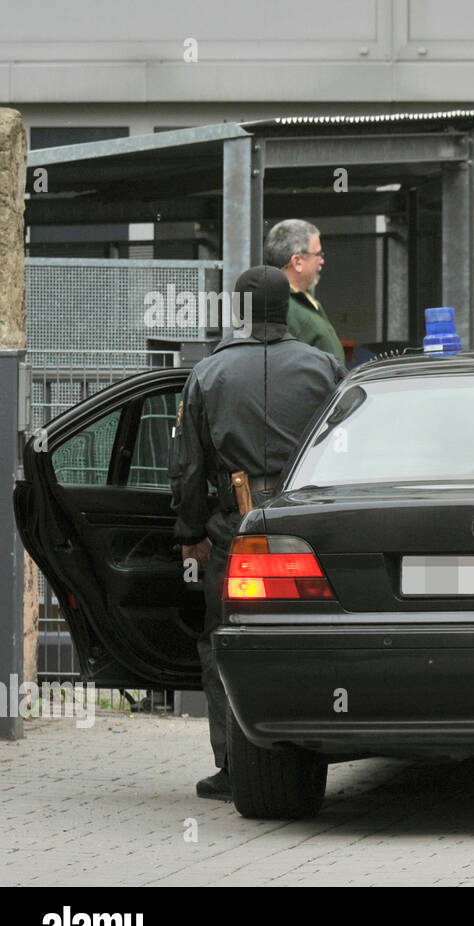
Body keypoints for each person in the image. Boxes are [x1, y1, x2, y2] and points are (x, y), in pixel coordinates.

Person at [170, 266, 346, 801]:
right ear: (287, 311)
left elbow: (189, 468)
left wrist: (191, 530)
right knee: (317, 638)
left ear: (239, 312)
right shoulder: (325, 368)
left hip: (236, 530)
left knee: (223, 642)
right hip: (311, 525)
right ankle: (323, 744)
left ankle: (233, 764)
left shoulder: (209, 374)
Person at [263, 218, 343, 361]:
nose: (322, 260)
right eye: (318, 254)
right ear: (297, 262)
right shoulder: (277, 305)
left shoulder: (296, 300)